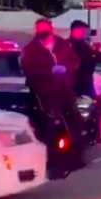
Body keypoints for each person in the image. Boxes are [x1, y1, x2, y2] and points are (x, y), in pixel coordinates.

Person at [22, 30, 86, 177]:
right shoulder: (32, 50)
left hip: (64, 88)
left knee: (74, 121)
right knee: (52, 124)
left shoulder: (62, 45)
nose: (48, 43)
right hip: (46, 92)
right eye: (45, 41)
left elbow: (74, 61)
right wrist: (49, 71)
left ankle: (76, 158)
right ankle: (53, 161)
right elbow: (29, 70)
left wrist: (67, 70)